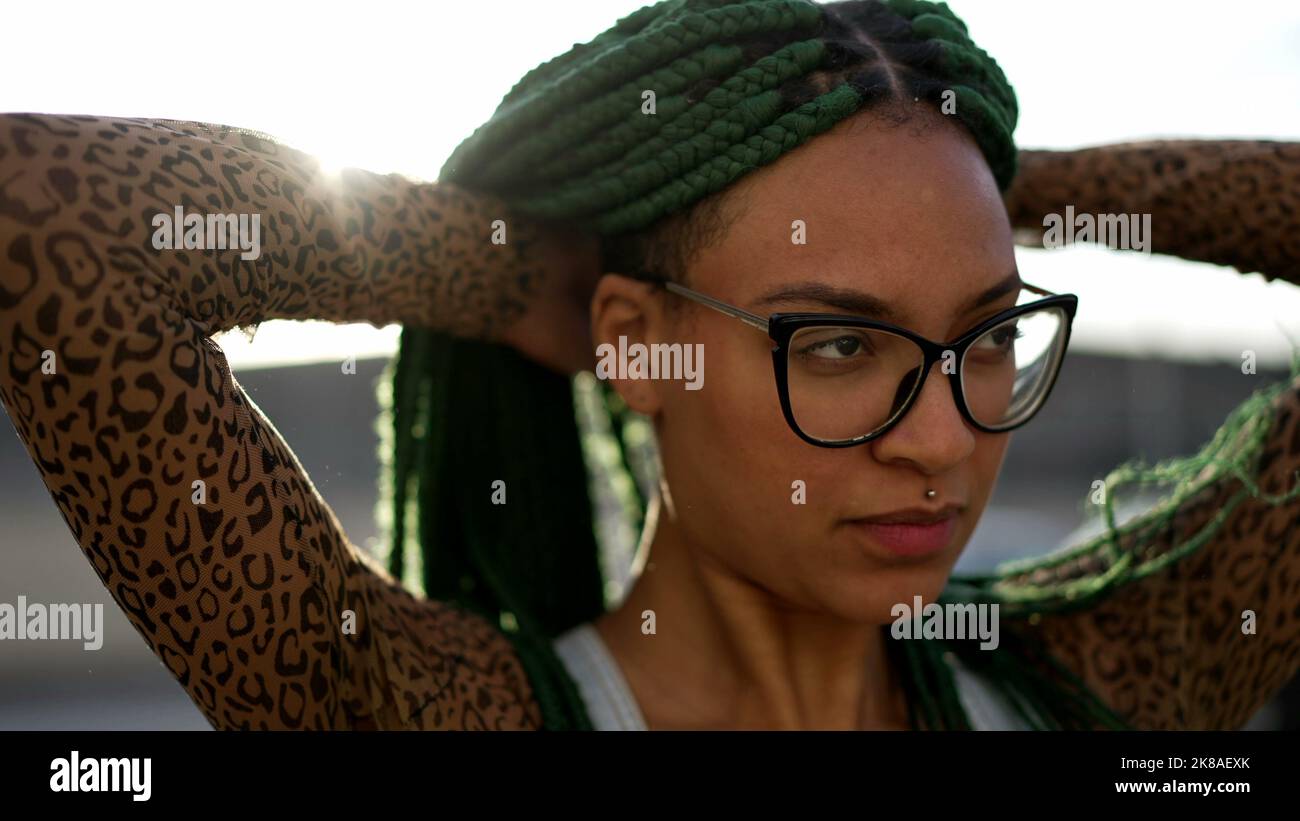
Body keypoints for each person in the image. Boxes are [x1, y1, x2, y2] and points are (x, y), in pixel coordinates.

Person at [1, 0, 1297, 730]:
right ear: (634, 339)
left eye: (991, 333)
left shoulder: (1093, 693)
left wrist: (1010, 178)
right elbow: (39, 215)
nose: (947, 440)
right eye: (840, 343)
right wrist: (504, 269)